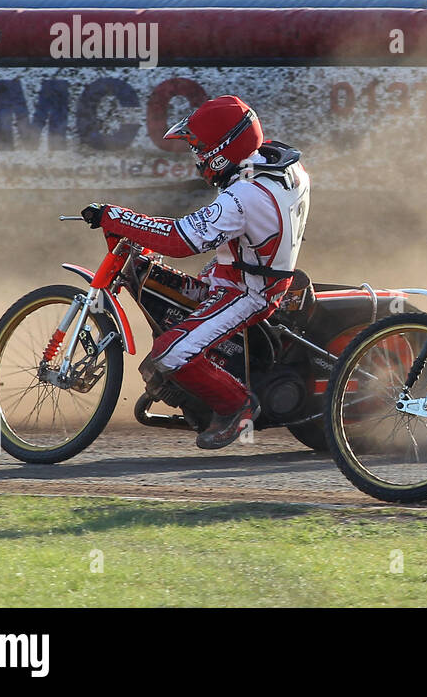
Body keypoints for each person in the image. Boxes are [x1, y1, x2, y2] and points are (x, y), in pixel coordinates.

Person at [82, 95, 311, 450]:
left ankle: (237, 405)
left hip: (249, 291)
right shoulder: (275, 164)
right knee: (161, 288)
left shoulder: (243, 197)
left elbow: (179, 241)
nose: (197, 156)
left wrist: (118, 217)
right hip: (241, 267)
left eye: (200, 147)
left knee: (169, 352)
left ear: (224, 147)